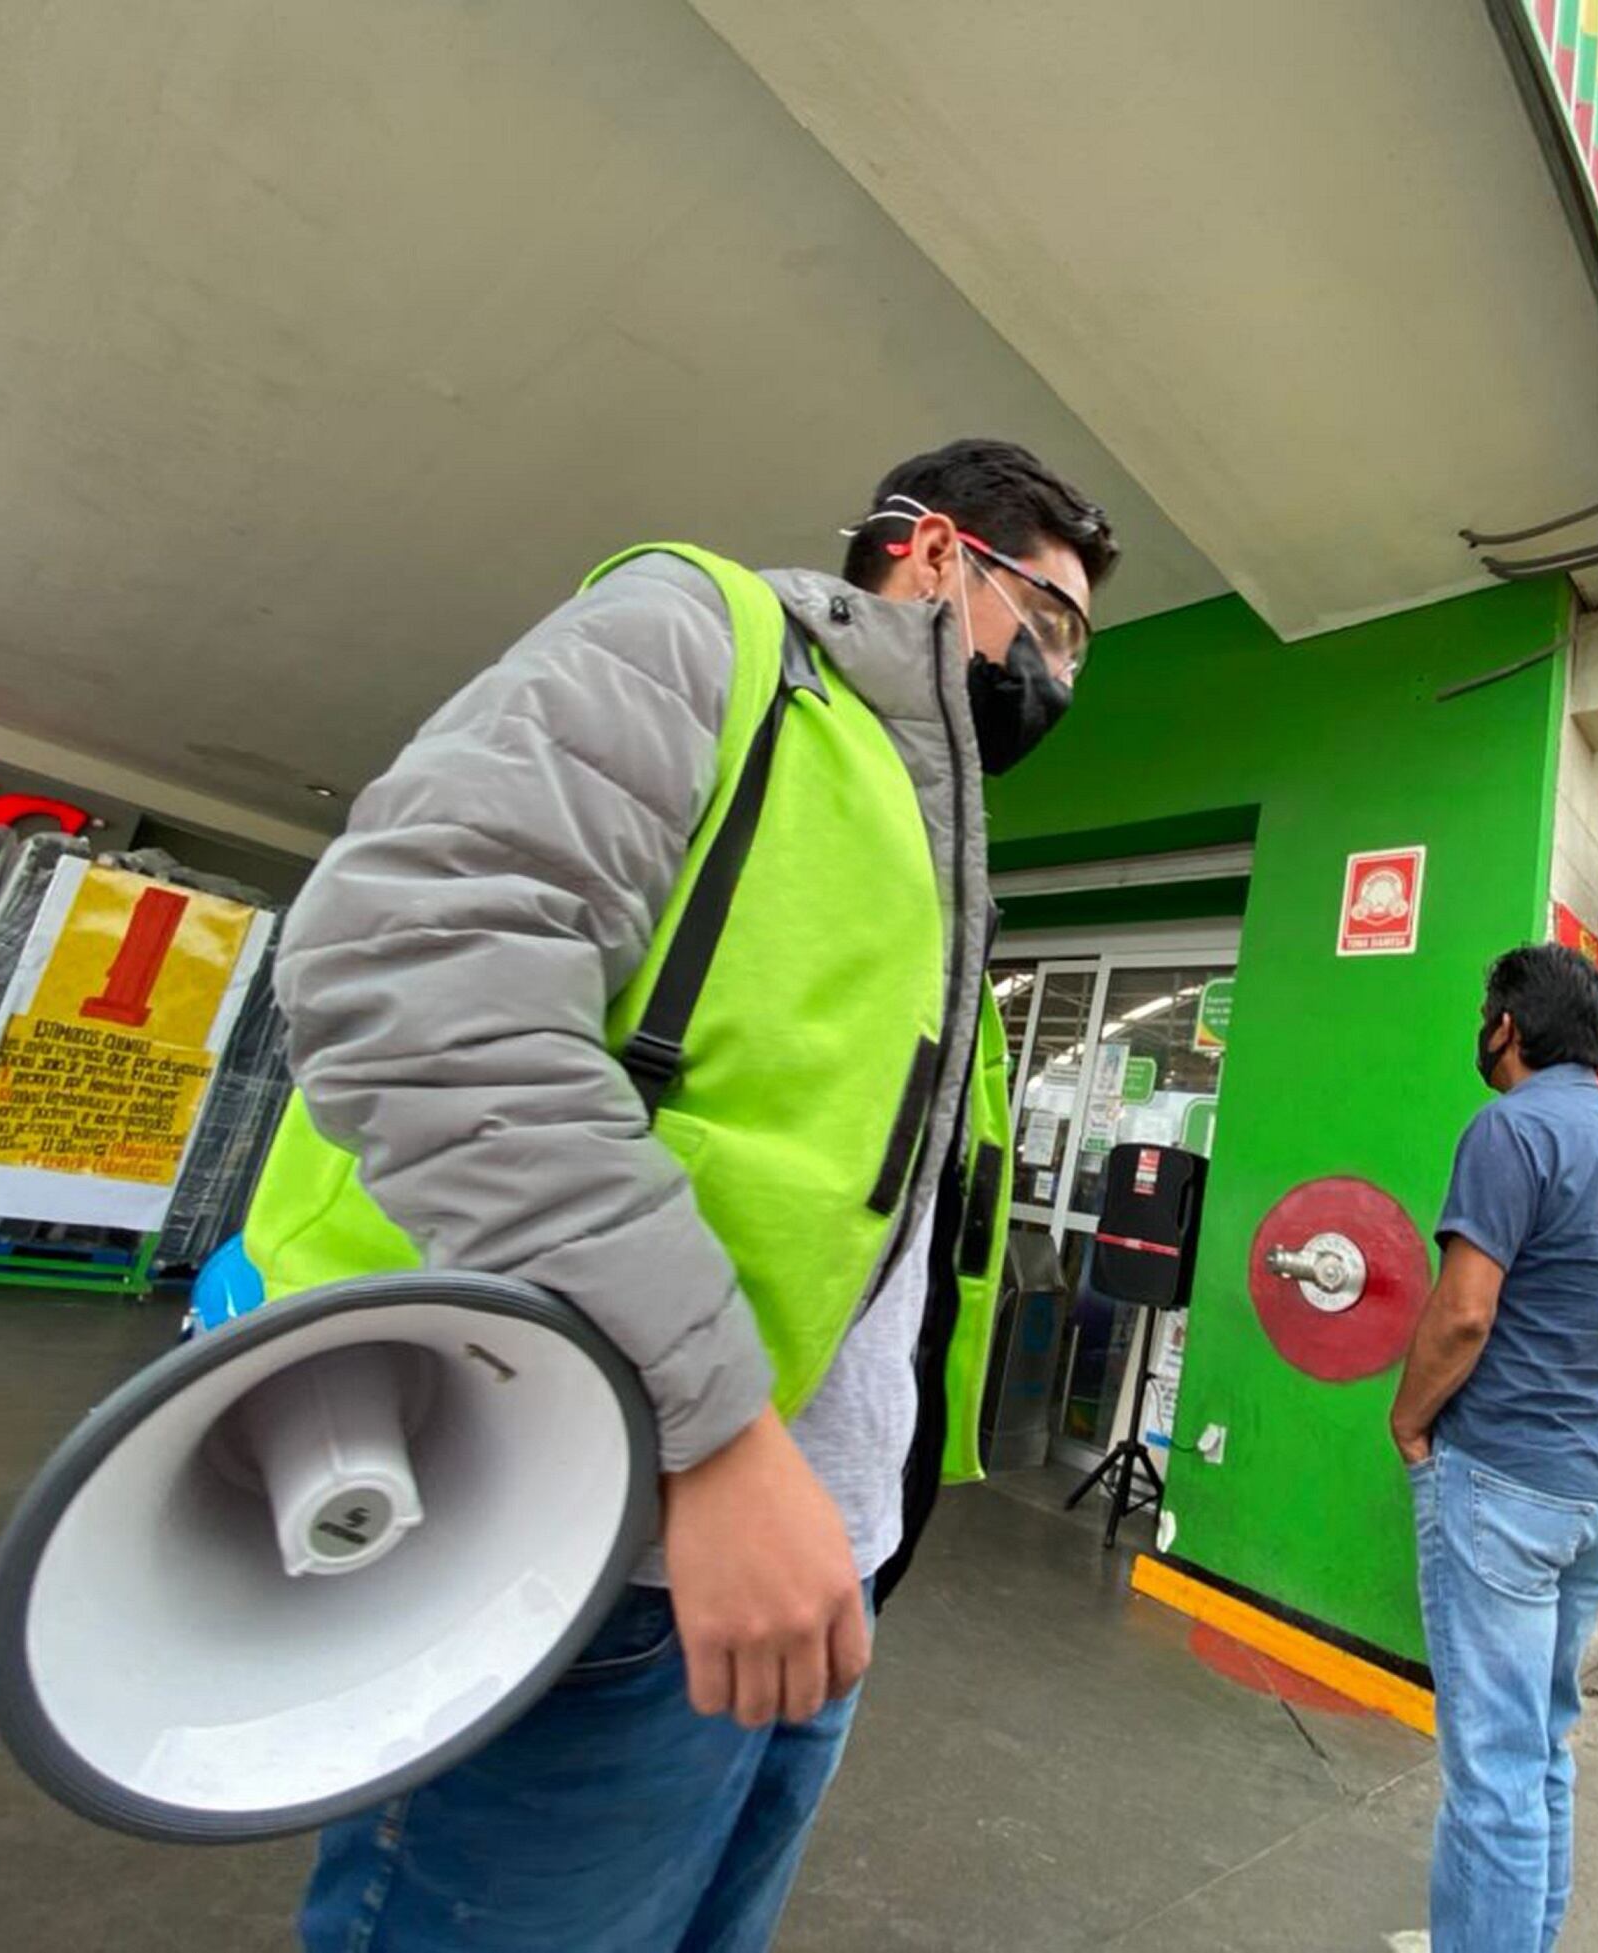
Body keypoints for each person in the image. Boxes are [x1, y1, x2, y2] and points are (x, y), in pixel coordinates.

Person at [252, 439, 1116, 1952]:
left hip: (813, 1572)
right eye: (1044, 618)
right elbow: (413, 969)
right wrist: (710, 1431)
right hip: (609, 1535)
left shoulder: (932, 854)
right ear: (925, 552)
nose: (1056, 669)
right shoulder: (699, 636)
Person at [1390, 943, 1598, 1953]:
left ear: (1507, 1027)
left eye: (1484, 1014)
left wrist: (1409, 1420)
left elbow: (1463, 1315)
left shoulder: (1507, 1130)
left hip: (1504, 1485)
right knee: (1541, 1747)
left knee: (1490, 1772)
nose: (1480, 1029)